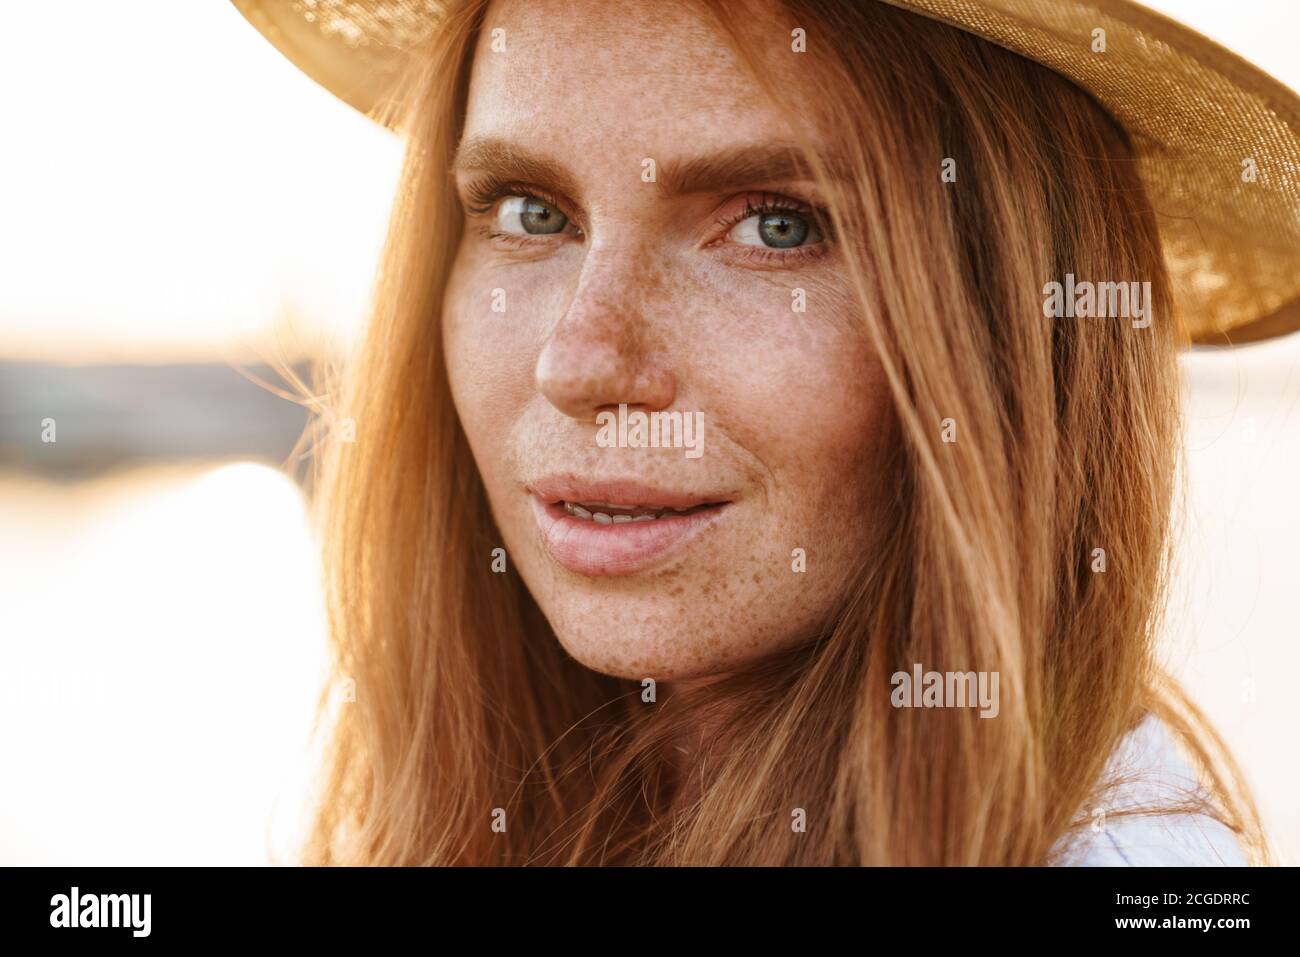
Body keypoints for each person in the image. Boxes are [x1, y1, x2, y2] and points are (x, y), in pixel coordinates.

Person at [233, 0, 1299, 865]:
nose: (578, 362)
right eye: (528, 212)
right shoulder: (465, 796)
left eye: (774, 226)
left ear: (1008, 326)